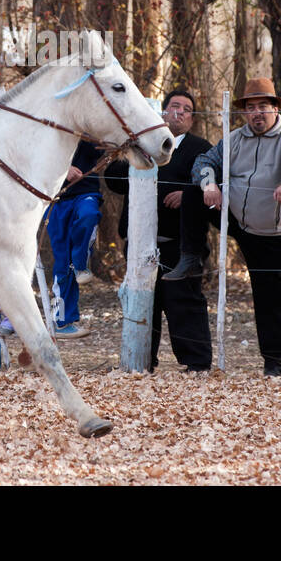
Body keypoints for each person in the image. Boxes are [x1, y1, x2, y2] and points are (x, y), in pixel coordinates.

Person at [178, 78, 281, 377]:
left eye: (263, 106)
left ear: (275, 108)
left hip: (272, 232)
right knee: (193, 193)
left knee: (269, 295)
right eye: (251, 108)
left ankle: (274, 363)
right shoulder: (235, 138)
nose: (257, 113)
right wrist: (209, 182)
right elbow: (204, 160)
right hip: (236, 220)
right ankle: (191, 255)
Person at [104, 88, 213, 371]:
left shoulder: (200, 148)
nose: (179, 112)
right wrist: (126, 152)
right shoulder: (142, 144)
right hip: (140, 241)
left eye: (186, 109)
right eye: (173, 105)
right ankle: (141, 362)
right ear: (162, 112)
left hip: (181, 242)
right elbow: (113, 179)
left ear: (192, 119)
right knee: (143, 301)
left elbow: (210, 185)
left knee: (183, 301)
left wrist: (186, 194)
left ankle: (196, 364)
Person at [43, 139, 103, 339]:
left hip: (86, 192)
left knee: (89, 215)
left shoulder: (89, 123)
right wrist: (62, 170)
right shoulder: (45, 124)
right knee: (62, 261)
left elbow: (104, 145)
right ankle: (62, 321)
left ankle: (81, 262)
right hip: (55, 199)